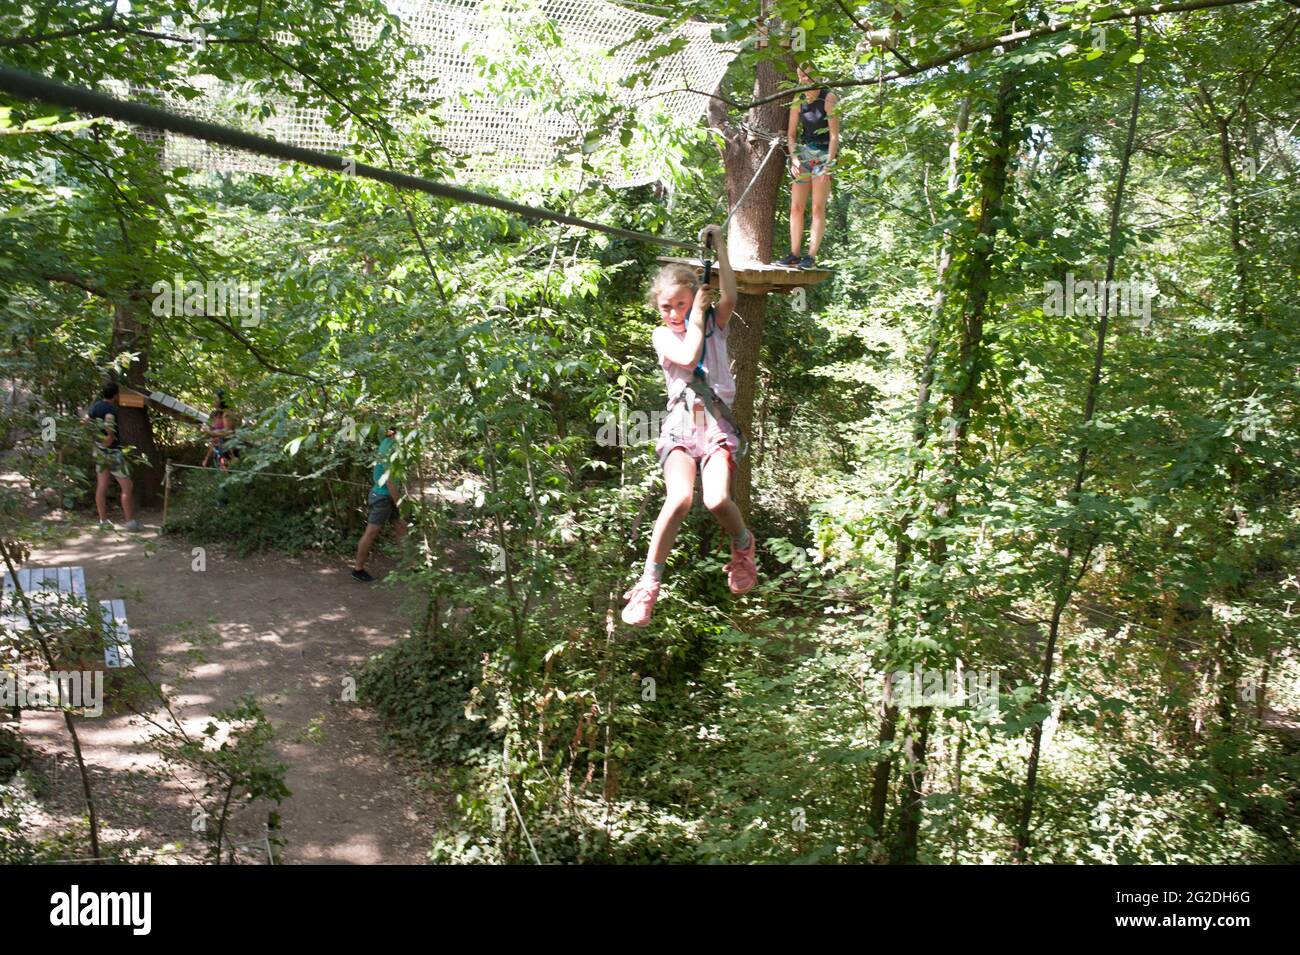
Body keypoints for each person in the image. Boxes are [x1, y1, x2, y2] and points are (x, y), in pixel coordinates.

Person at [621, 225, 758, 627]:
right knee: (679, 499)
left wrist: (721, 248)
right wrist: (696, 314)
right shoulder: (664, 335)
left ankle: (743, 547)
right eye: (666, 306)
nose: (673, 312)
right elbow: (686, 355)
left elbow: (731, 294)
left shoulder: (716, 321)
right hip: (682, 426)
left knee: (716, 501)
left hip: (715, 426)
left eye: (681, 304)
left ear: (694, 297)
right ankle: (649, 583)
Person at [777, 65, 840, 270]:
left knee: (817, 207)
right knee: (796, 207)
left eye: (809, 74)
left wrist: (829, 165)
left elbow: (834, 135)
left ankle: (811, 256)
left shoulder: (828, 97)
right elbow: (791, 134)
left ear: (818, 75)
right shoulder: (798, 98)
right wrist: (794, 159)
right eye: (802, 75)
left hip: (823, 155)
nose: (805, 78)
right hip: (803, 154)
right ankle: (794, 253)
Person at [352, 425, 407, 582]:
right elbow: (389, 482)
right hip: (383, 497)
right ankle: (358, 569)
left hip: (388, 495)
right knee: (371, 532)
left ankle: (410, 565)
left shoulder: (389, 442)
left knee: (401, 528)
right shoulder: (390, 449)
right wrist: (400, 504)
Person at [85, 382, 139, 531]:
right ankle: (130, 522)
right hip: (112, 453)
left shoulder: (95, 406)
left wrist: (97, 441)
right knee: (127, 486)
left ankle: (103, 520)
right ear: (116, 395)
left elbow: (85, 420)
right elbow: (109, 428)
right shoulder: (111, 410)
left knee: (101, 487)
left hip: (98, 452)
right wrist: (109, 439)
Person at [200, 392, 239, 470]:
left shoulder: (227, 413)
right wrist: (207, 458)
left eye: (216, 399)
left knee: (228, 472)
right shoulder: (216, 415)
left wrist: (210, 432)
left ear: (222, 401)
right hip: (217, 450)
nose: (214, 401)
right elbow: (214, 436)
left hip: (228, 450)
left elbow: (229, 432)